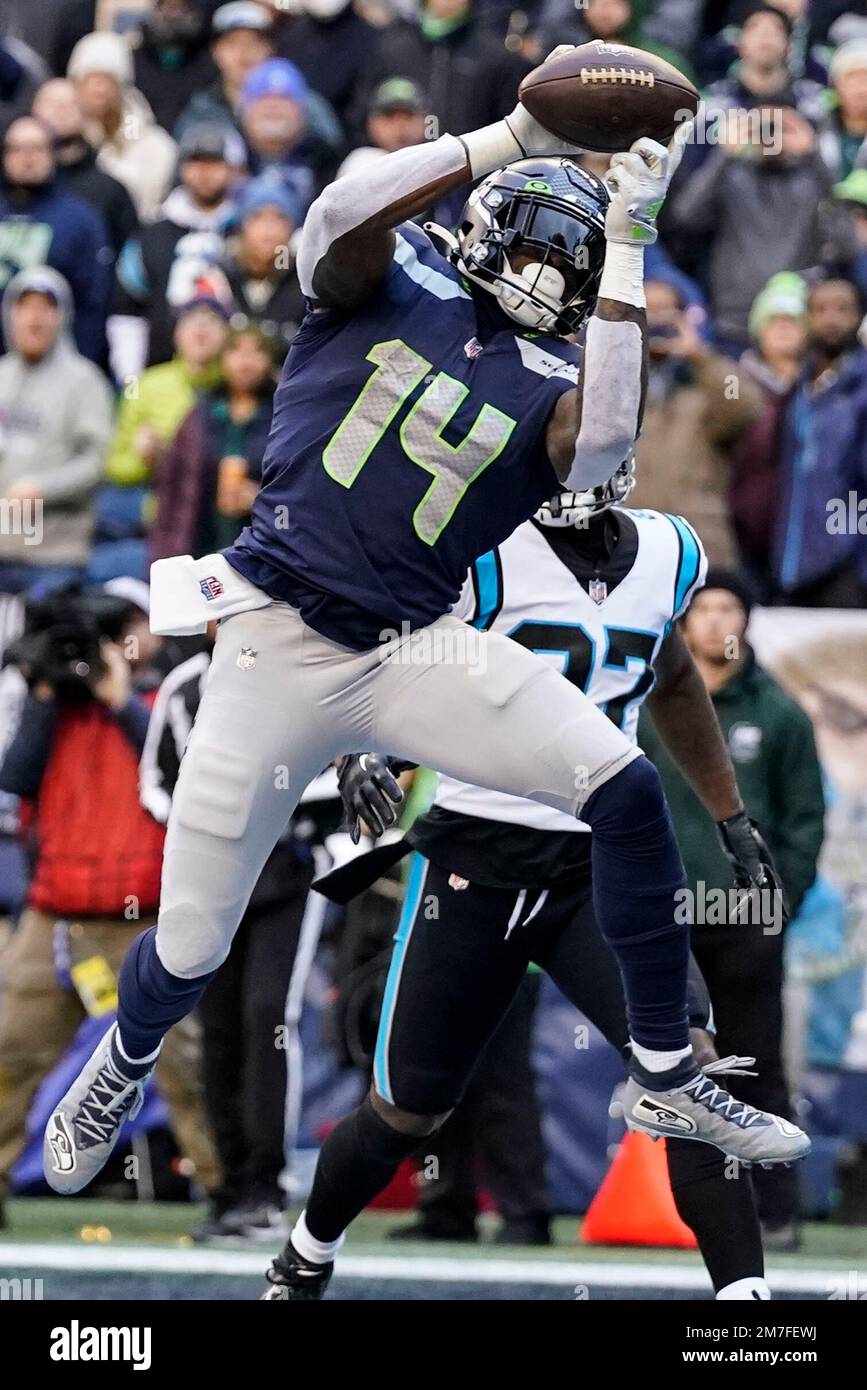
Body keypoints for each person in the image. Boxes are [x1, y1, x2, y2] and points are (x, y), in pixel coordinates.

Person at [43, 60, 807, 1242]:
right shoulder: (383, 275)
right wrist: (507, 133)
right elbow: (335, 217)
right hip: (273, 643)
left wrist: (631, 247)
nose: (552, 281)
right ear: (488, 232)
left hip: (415, 647)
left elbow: (607, 450)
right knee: (191, 944)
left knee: (622, 784)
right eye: (545, 254)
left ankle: (666, 1069)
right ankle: (129, 1051)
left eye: (574, 264)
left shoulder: (563, 371)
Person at [317, 465, 778, 1298]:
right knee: (406, 1111)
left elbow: (670, 678)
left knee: (688, 1074)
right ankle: (305, 1254)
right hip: (474, 858)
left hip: (596, 859)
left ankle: (745, 1309)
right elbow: (398, 668)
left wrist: (729, 814)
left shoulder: (664, 550)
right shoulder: (481, 548)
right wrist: (364, 753)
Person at [0, 580, 220, 1225]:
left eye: (129, 626)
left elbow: (178, 767)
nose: (119, 642)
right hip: (57, 909)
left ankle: (229, 1194)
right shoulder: (55, 705)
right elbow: (14, 778)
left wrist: (120, 698)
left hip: (145, 913)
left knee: (184, 1065)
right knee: (11, 1051)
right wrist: (45, 690)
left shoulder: (173, 694)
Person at [640, 570, 825, 1248]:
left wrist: (779, 900)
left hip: (746, 921)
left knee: (754, 1065)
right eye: (705, 608)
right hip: (665, 919)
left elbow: (805, 821)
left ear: (746, 624)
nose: (719, 622)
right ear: (682, 627)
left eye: (731, 609)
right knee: (672, 1067)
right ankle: (678, 1213)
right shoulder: (649, 708)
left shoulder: (776, 712)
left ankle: (775, 1213)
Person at [92, 297, 229, 584]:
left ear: (227, 335)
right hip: (154, 499)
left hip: (215, 506)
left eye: (212, 322)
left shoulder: (235, 386)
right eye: (191, 321)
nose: (201, 330)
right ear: (176, 332)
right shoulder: (148, 384)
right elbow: (115, 467)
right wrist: (143, 457)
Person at [629, 276, 763, 565]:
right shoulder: (617, 382)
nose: (655, 318)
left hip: (699, 544)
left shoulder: (707, 386)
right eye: (646, 308)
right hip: (632, 543)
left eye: (665, 308)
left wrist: (699, 354)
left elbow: (746, 402)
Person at [0, 268, 113, 595]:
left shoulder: (84, 381)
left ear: (61, 316)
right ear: (10, 314)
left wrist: (42, 487)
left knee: (41, 646)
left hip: (55, 555)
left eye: (45, 309)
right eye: (25, 308)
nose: (34, 320)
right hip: (2, 549)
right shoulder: (2, 375)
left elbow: (96, 463)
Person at [111, 122, 239, 380]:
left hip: (233, 381)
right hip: (162, 374)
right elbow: (127, 313)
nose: (204, 172)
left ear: (231, 169)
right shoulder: (152, 234)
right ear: (181, 169)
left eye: (214, 162)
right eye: (196, 162)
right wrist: (131, 379)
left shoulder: (247, 230)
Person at [772, 275, 867, 606]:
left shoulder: (861, 386)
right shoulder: (797, 387)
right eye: (820, 309)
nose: (831, 319)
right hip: (789, 560)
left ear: (859, 316)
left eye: (843, 309)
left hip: (848, 566)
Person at [150, 326, 277, 561]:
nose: (245, 362)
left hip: (260, 548)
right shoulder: (201, 412)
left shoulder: (283, 416)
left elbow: (299, 491)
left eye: (256, 352)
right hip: (198, 541)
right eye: (236, 351)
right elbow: (171, 484)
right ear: (222, 358)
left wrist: (261, 500)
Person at [0, 115, 112, 365]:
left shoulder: (80, 219)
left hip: (57, 365)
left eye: (36, 148)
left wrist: (79, 367)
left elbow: (93, 303)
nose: (26, 158)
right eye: (16, 149)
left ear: (53, 154)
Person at [728, 272, 808, 592]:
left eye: (794, 320)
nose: (784, 328)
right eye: (774, 320)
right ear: (759, 329)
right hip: (744, 529)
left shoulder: (822, 389)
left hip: (801, 538)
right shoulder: (734, 382)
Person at [66, 30, 177, 224]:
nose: (99, 87)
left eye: (108, 78)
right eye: (90, 78)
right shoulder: (61, 143)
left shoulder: (153, 146)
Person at [31, 78, 139, 259]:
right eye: (50, 103)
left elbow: (129, 259)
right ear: (32, 111)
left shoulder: (109, 190)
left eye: (71, 104)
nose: (60, 111)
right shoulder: (13, 188)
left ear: (86, 115)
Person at [219, 178, 306, 353]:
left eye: (280, 217)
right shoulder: (220, 278)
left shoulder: (306, 284)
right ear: (242, 226)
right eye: (258, 217)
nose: (269, 228)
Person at [175, 1, 276, 141]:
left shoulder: (298, 106)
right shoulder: (200, 112)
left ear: (270, 49)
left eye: (254, 42)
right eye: (233, 42)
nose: (244, 51)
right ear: (215, 51)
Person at [131, 0, 218, 135]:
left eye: (182, 8)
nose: (175, 15)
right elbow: (129, 119)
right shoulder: (133, 61)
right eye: (170, 8)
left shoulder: (211, 63)